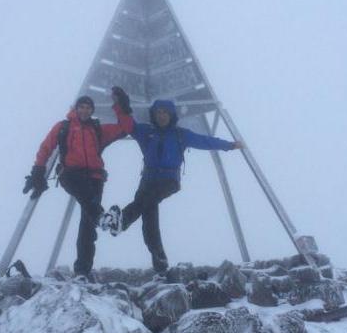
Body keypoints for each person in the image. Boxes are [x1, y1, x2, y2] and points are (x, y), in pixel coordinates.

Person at [101, 98, 242, 275]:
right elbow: (128, 125)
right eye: (158, 112)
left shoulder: (180, 134)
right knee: (149, 223)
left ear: (171, 115)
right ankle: (161, 266)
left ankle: (122, 221)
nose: (161, 116)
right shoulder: (146, 132)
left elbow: (204, 141)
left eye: (165, 112)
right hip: (148, 179)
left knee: (146, 200)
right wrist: (120, 107)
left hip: (169, 181)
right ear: (154, 114)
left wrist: (229, 145)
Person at [23, 87, 133, 279]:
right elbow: (46, 147)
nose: (84, 110)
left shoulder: (98, 129)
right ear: (76, 108)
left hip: (96, 177)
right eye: (81, 107)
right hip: (71, 174)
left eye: (88, 107)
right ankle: (102, 217)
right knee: (89, 202)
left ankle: (82, 270)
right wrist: (38, 171)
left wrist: (120, 106)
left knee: (88, 226)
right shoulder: (63, 127)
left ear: (92, 110)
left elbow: (125, 128)